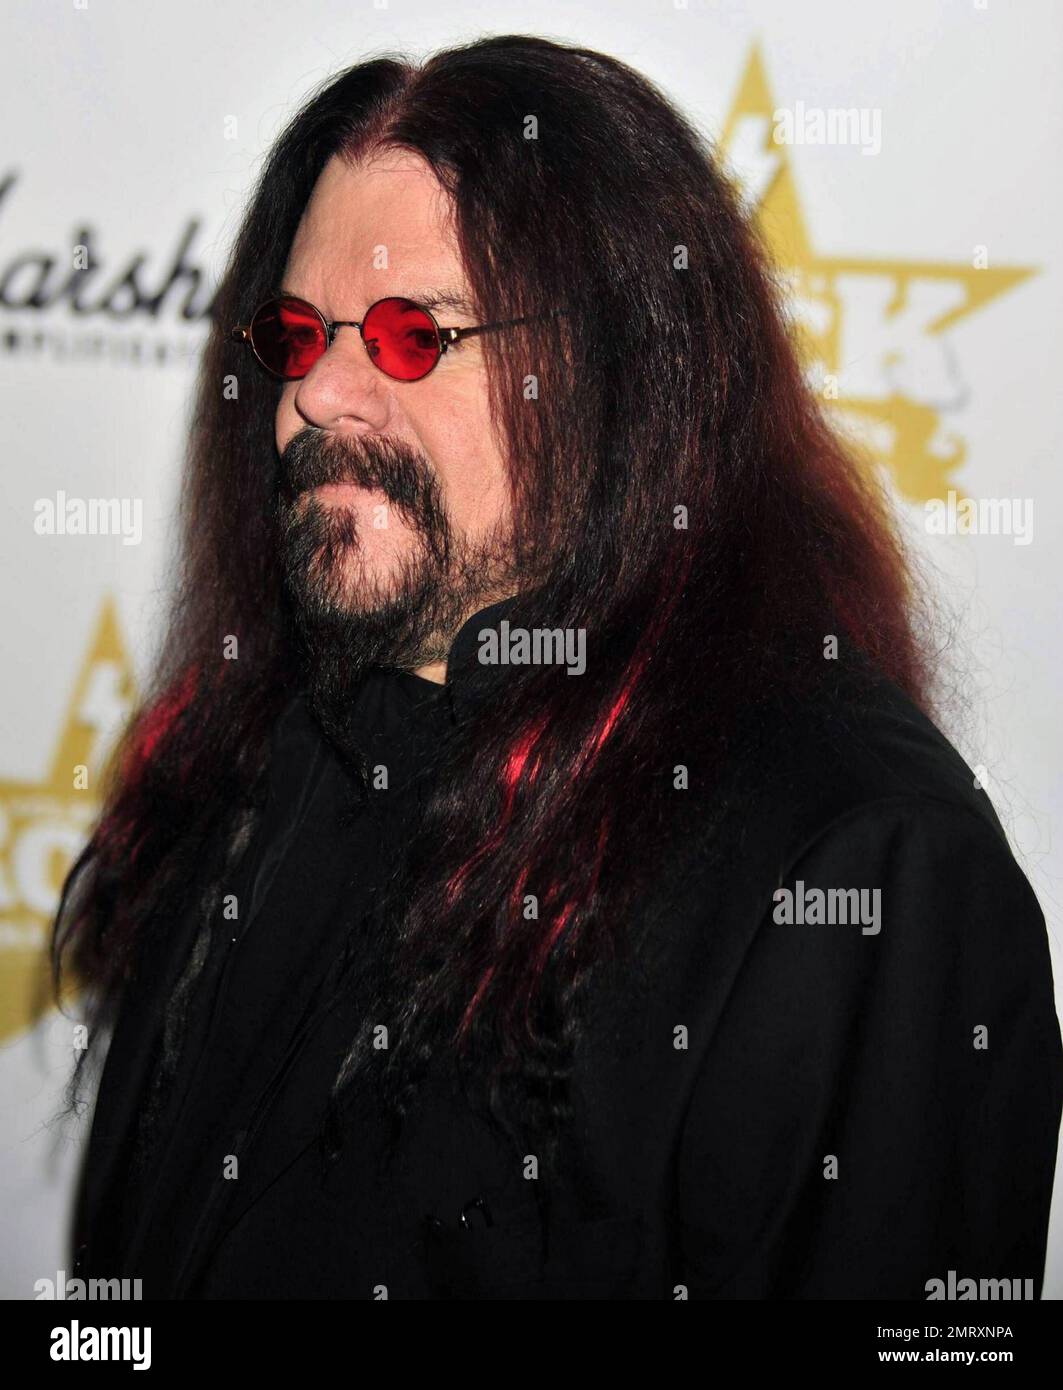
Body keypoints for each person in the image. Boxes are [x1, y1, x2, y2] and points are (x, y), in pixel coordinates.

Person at [55, 34, 1062, 1300]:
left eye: (414, 335)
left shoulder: (852, 857)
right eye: (299, 333)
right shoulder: (255, 762)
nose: (321, 397)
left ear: (619, 372)